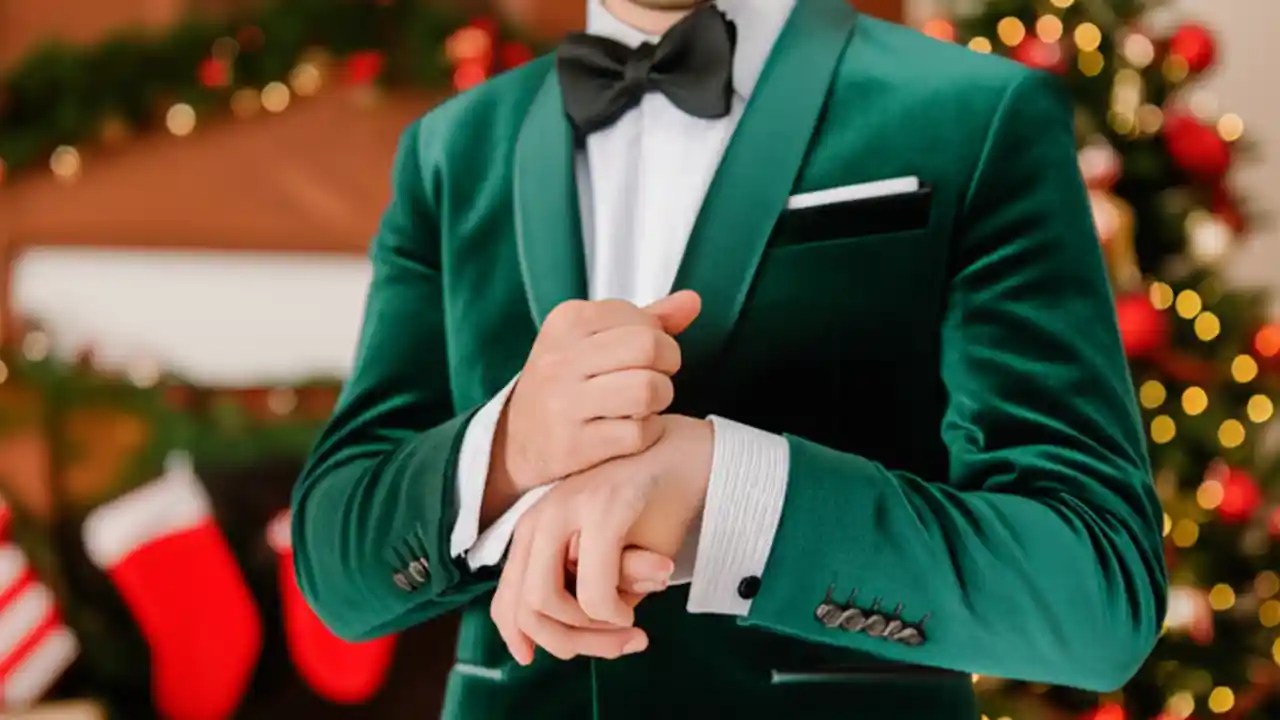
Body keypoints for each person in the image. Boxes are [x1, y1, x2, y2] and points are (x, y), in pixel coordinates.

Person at [291, 1, 1169, 717]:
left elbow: (1095, 593)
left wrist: (726, 491)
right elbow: (337, 566)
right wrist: (511, 447)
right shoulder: (449, 150)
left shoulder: (977, 115)